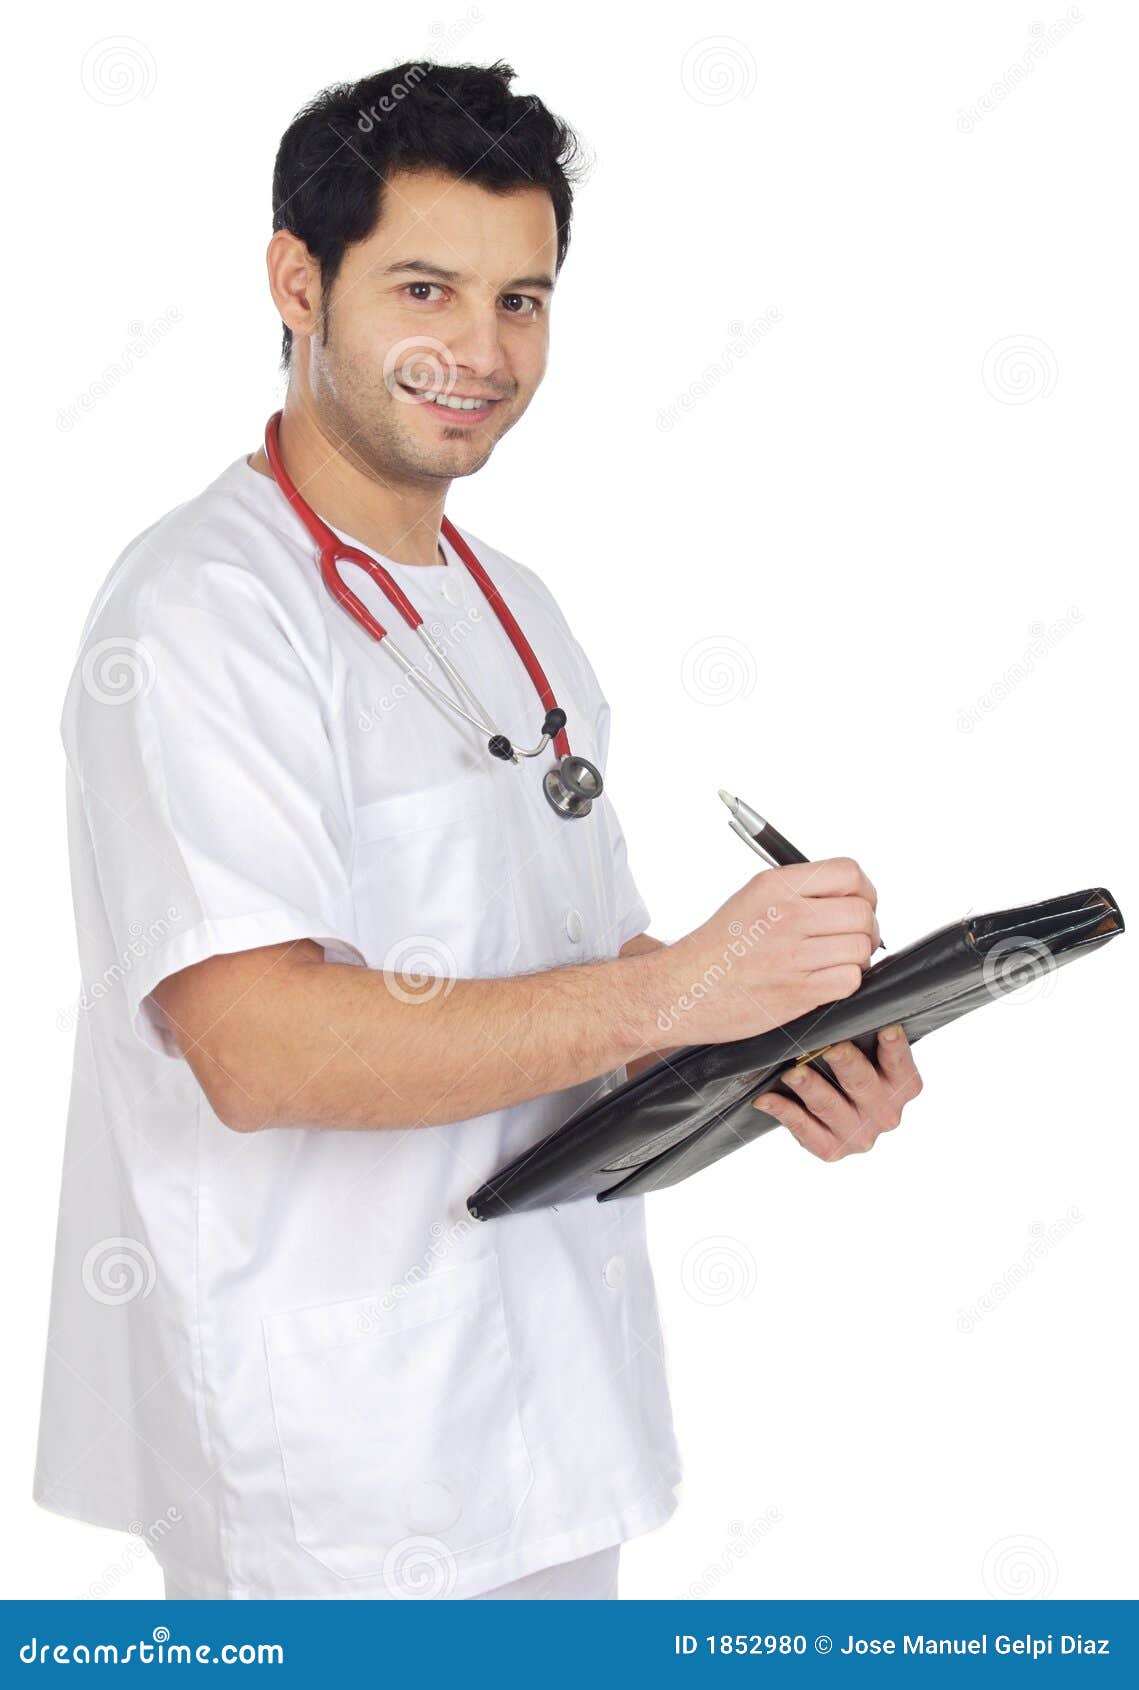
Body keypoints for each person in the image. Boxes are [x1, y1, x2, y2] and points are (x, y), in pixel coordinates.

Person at [34, 60, 924, 1602]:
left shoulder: (521, 609)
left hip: (555, 1435)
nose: (482, 351)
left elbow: (577, 991)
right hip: (334, 1479)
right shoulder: (200, 614)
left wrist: (772, 1044)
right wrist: (674, 993)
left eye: (525, 299)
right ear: (296, 281)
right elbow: (256, 1045)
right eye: (428, 288)